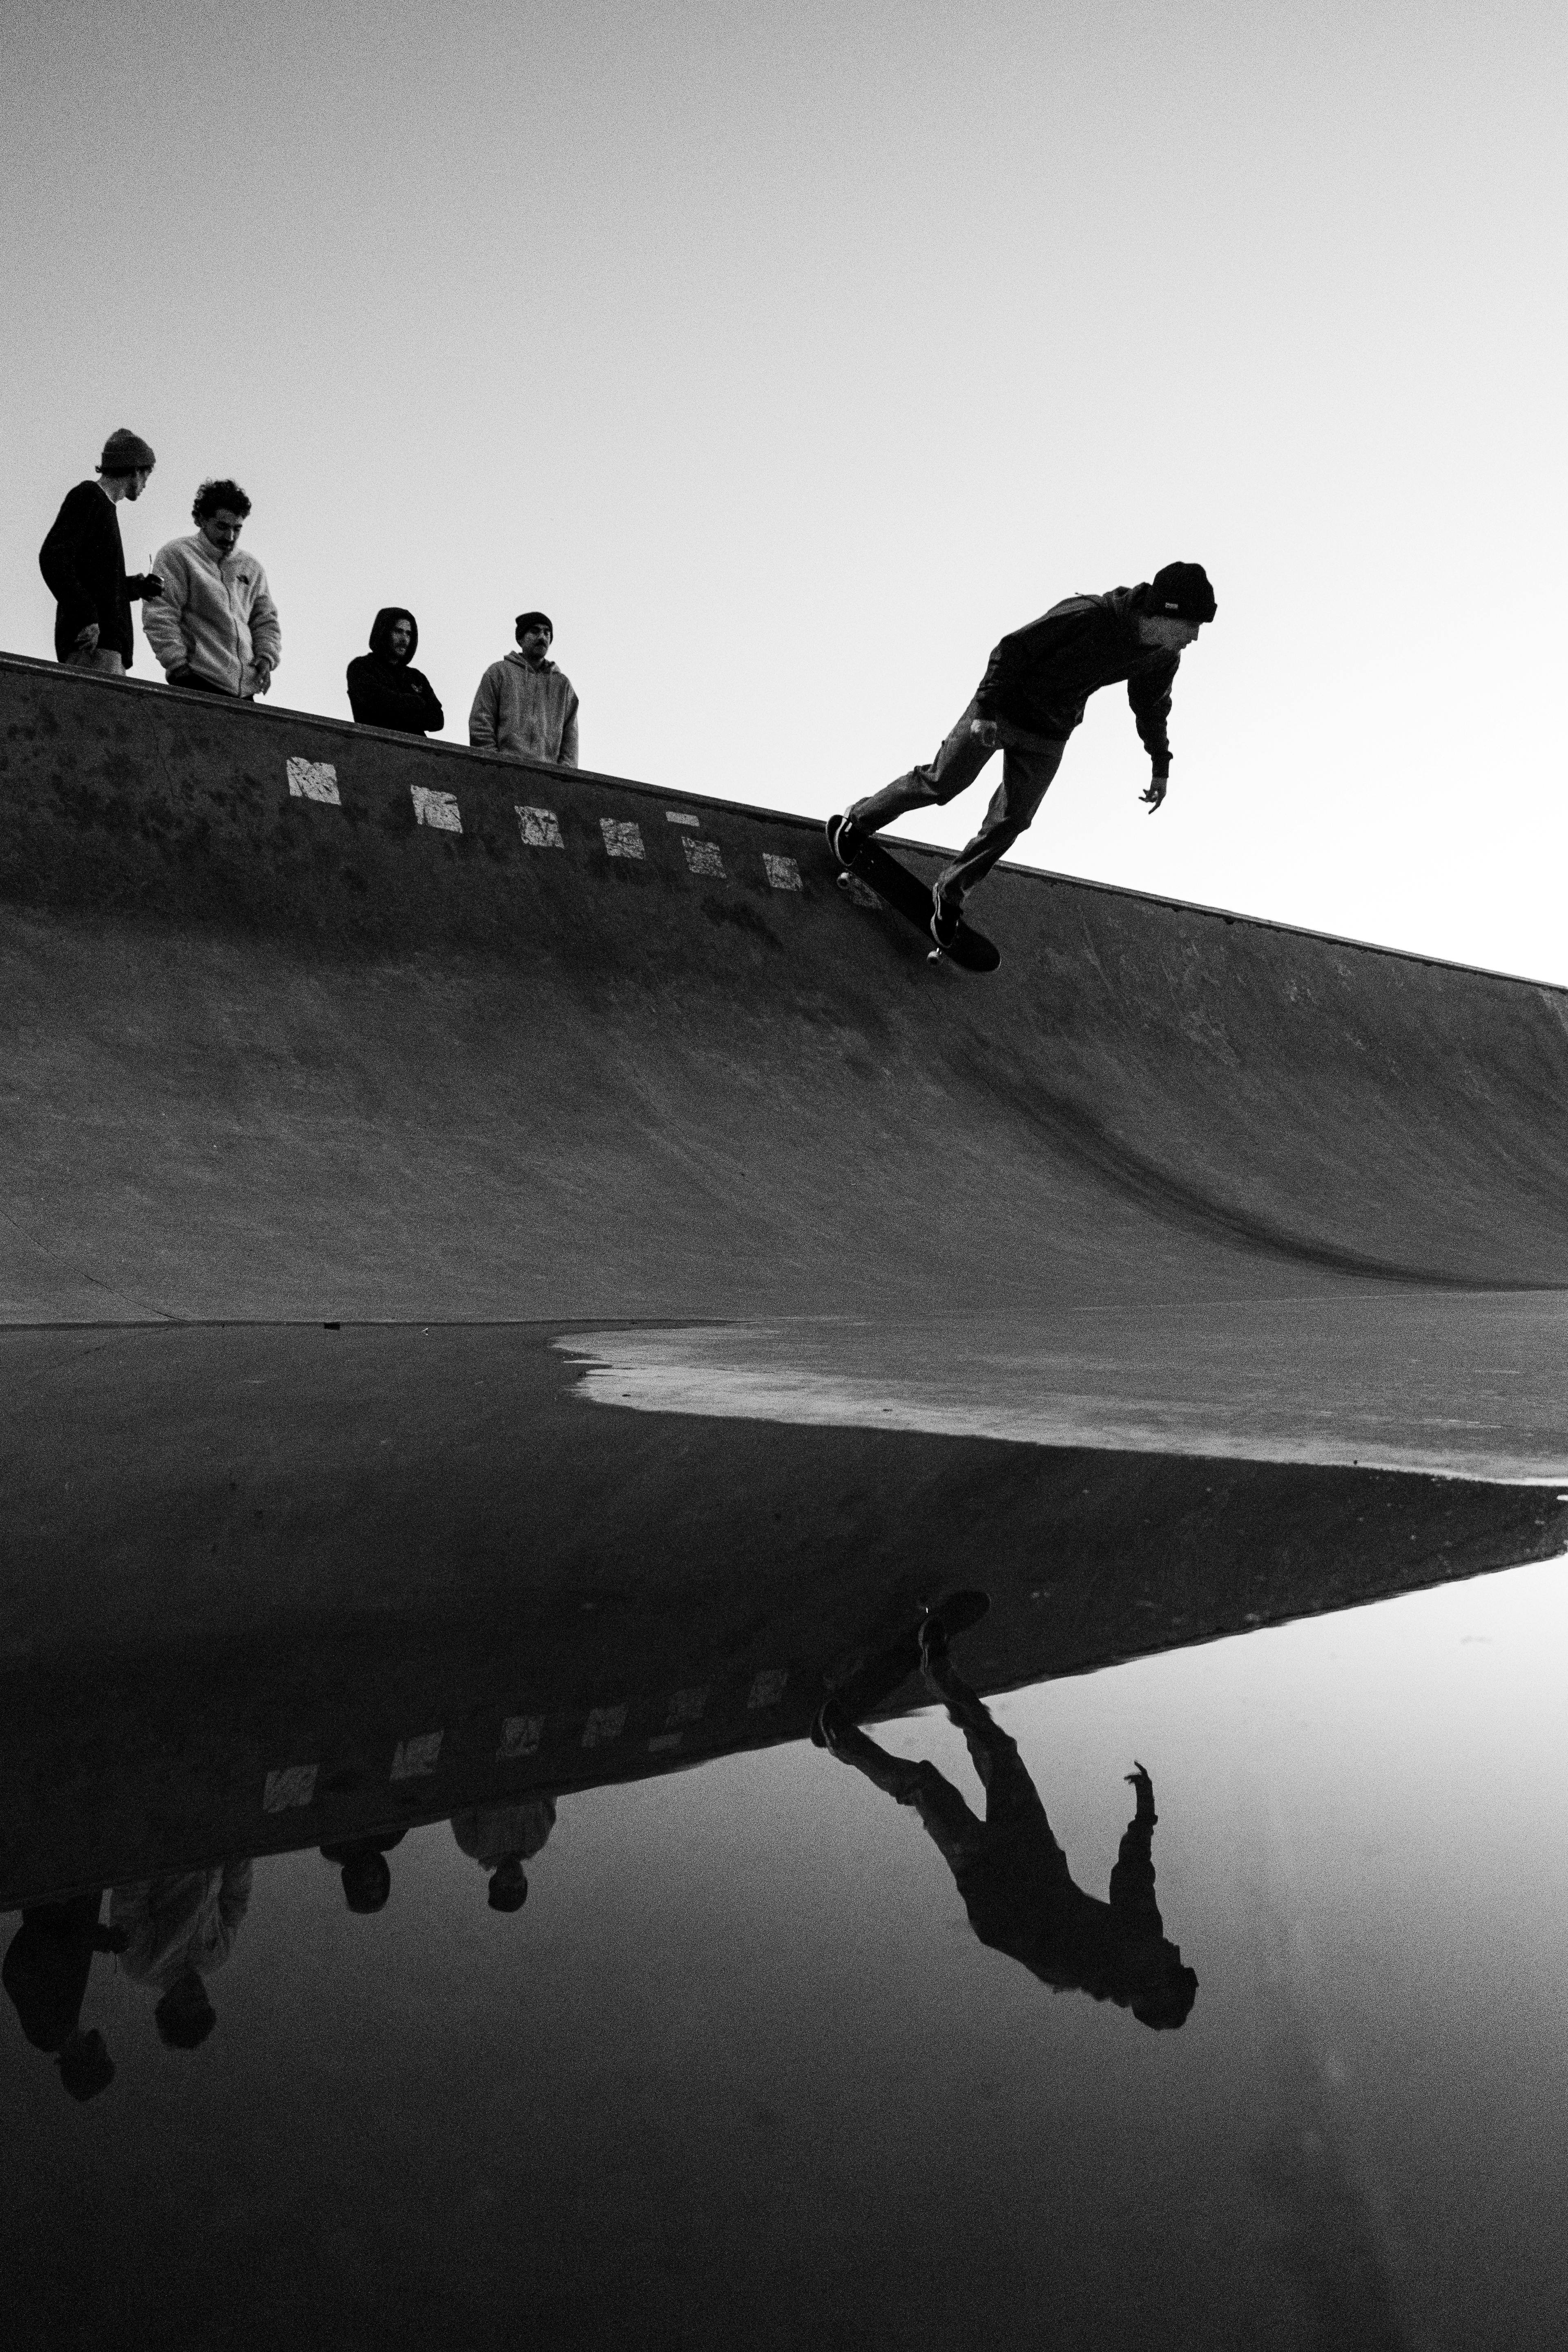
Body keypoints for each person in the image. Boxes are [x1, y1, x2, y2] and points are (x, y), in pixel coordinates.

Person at [817, 1616, 1198, 2030]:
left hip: (985, 1869)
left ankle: (840, 1738)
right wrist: (1144, 1811)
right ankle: (935, 1664)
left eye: (1174, 1964)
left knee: (926, 1786)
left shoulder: (1073, 1969)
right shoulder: (1141, 1933)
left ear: (1154, 1986)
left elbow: (995, 1932)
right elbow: (1133, 1873)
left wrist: (987, 1886)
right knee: (995, 1749)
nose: (1175, 1949)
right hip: (1029, 1846)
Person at [827, 561, 1218, 949]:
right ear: (1165, 612)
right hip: (1001, 711)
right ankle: (859, 821)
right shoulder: (1089, 615)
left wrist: (1159, 764)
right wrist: (984, 708)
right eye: (1191, 626)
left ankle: (948, 894)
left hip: (1050, 732)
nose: (1195, 638)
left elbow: (1151, 707)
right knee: (943, 783)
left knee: (1013, 819)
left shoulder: (1162, 656)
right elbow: (1011, 648)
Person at [37, 428, 164, 677]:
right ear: (135, 470)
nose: (146, 484)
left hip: (106, 648)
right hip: (94, 645)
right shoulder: (88, 496)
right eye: (147, 474)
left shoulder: (104, 506)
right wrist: (86, 616)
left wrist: (136, 588)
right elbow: (53, 558)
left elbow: (98, 583)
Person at [143, 478, 281, 700]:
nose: (230, 537)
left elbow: (265, 620)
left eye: (238, 528)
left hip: (246, 691)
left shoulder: (252, 568)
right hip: (196, 681)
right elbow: (160, 614)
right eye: (222, 526)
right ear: (200, 519)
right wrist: (178, 666)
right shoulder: (177, 555)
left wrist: (266, 657)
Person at [110, 1859, 253, 2050]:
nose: (199, 1992)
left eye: (191, 2001)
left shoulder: (142, 1965)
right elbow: (236, 1898)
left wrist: (155, 1852)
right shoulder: (218, 1955)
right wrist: (239, 1853)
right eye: (204, 2000)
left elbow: (130, 1903)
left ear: (169, 2007)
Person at [2, 1891, 125, 2102]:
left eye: (104, 2055)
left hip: (55, 1898)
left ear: (88, 2062)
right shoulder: (55, 2029)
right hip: (50, 1905)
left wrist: (106, 1940)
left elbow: (60, 1945)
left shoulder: (53, 2028)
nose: (105, 2047)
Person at [469, 611, 578, 766]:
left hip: (547, 780)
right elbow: (481, 722)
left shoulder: (563, 686)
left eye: (547, 633)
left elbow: (571, 743)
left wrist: (562, 777)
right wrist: (494, 764)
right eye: (535, 631)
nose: (542, 637)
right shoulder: (499, 672)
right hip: (503, 772)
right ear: (521, 639)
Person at [346, 608, 444, 735]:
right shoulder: (361, 667)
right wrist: (416, 703)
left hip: (415, 751)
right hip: (375, 747)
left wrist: (396, 706)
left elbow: (437, 720)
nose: (404, 639)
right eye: (399, 631)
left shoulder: (417, 678)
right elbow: (375, 706)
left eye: (409, 634)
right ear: (384, 631)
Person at [450, 1796, 557, 1912]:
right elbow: (550, 1796)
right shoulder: (536, 1840)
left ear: (494, 1881)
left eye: (507, 1889)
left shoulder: (475, 1846)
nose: (514, 1883)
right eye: (519, 1888)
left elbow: (459, 1802)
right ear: (525, 1882)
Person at [319, 1829, 406, 1914]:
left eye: (370, 1885)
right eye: (381, 1883)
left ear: (353, 1884)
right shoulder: (390, 1839)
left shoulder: (333, 1849)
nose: (376, 1878)